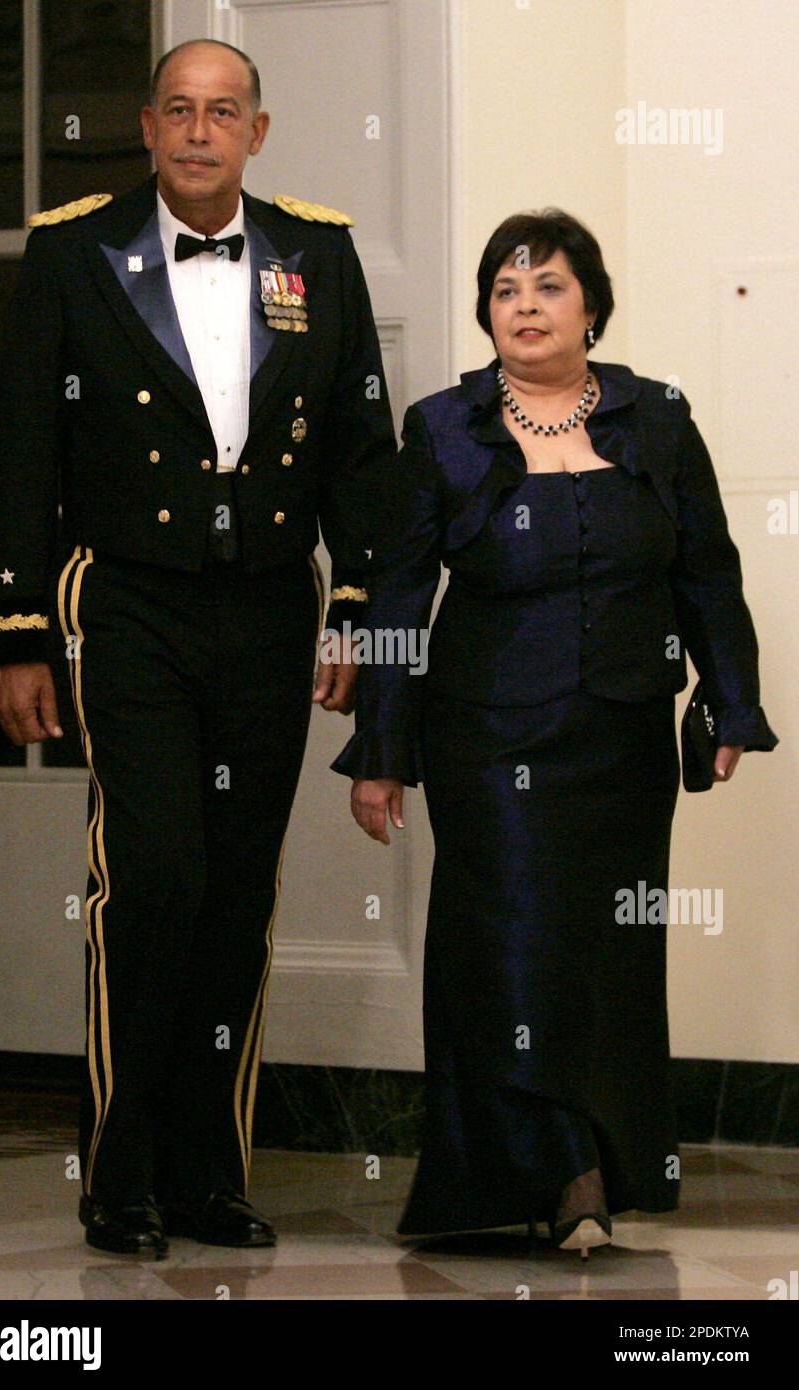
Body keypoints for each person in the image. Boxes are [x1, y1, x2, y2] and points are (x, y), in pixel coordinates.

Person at [0, 38, 395, 1259]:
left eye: (224, 112)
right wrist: (15, 633)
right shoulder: (72, 251)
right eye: (178, 110)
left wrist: (358, 602)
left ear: (257, 132)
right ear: (149, 128)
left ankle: (210, 1172)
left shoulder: (320, 253)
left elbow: (361, 455)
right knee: (153, 877)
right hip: (134, 611)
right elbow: (19, 460)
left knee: (233, 895)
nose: (200, 130)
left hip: (269, 609)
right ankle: (121, 1172)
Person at [332, 209, 778, 1258]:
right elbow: (398, 600)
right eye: (504, 291)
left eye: (547, 288)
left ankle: (600, 1162)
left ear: (591, 306)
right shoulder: (443, 427)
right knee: (515, 948)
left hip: (621, 738)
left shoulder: (658, 418)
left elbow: (706, 570)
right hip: (490, 744)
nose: (523, 308)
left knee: (608, 958)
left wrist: (730, 703)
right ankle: (561, 1175)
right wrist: (383, 753)